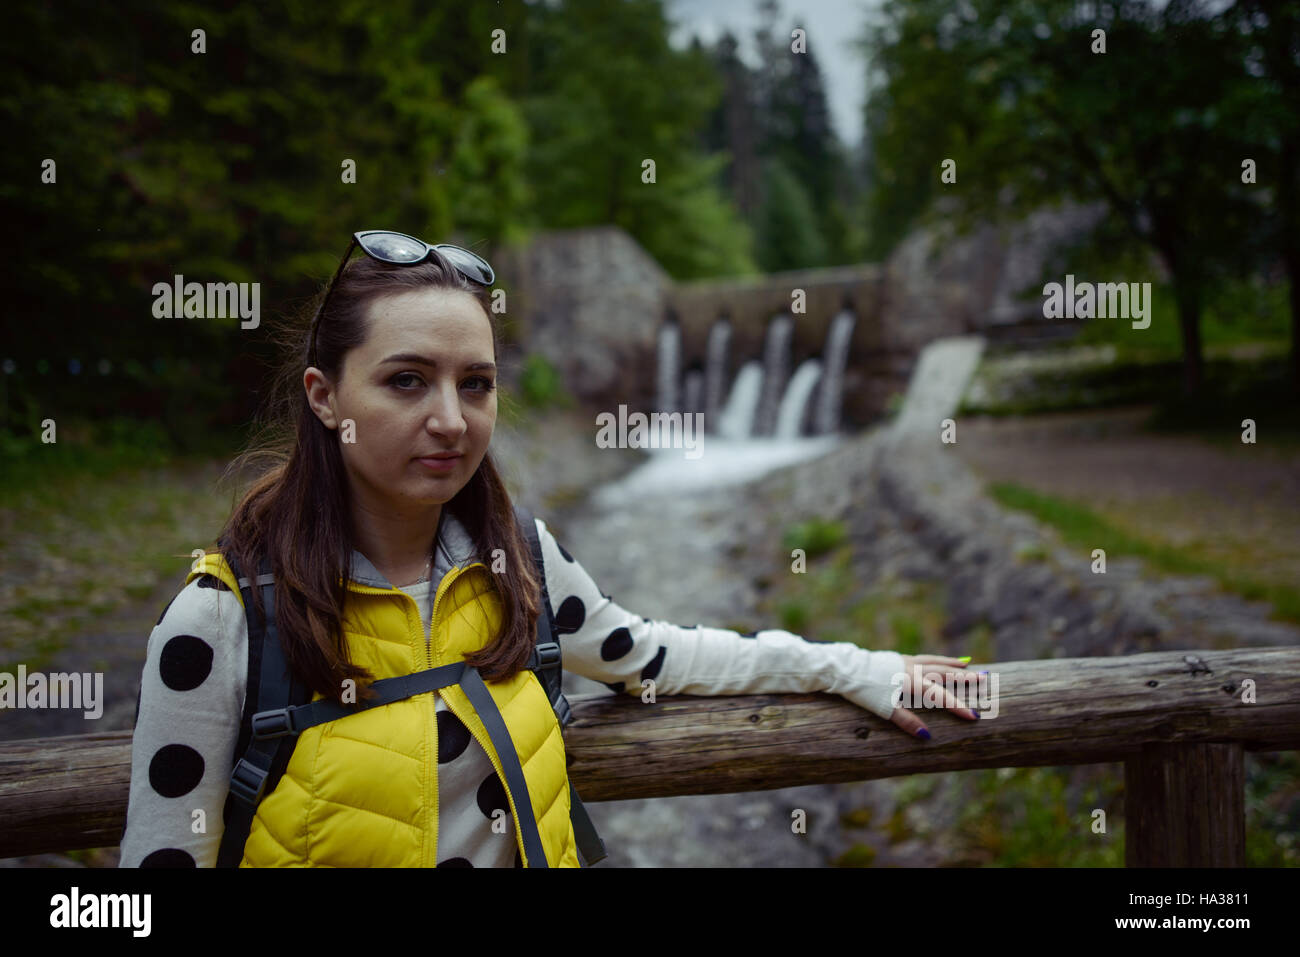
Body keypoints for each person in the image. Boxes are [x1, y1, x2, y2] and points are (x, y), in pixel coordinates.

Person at [119, 229, 978, 869]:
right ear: (323, 394)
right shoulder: (223, 622)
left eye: (477, 384)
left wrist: (852, 668)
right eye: (406, 380)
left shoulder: (519, 563)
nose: (453, 421)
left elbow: (660, 657)